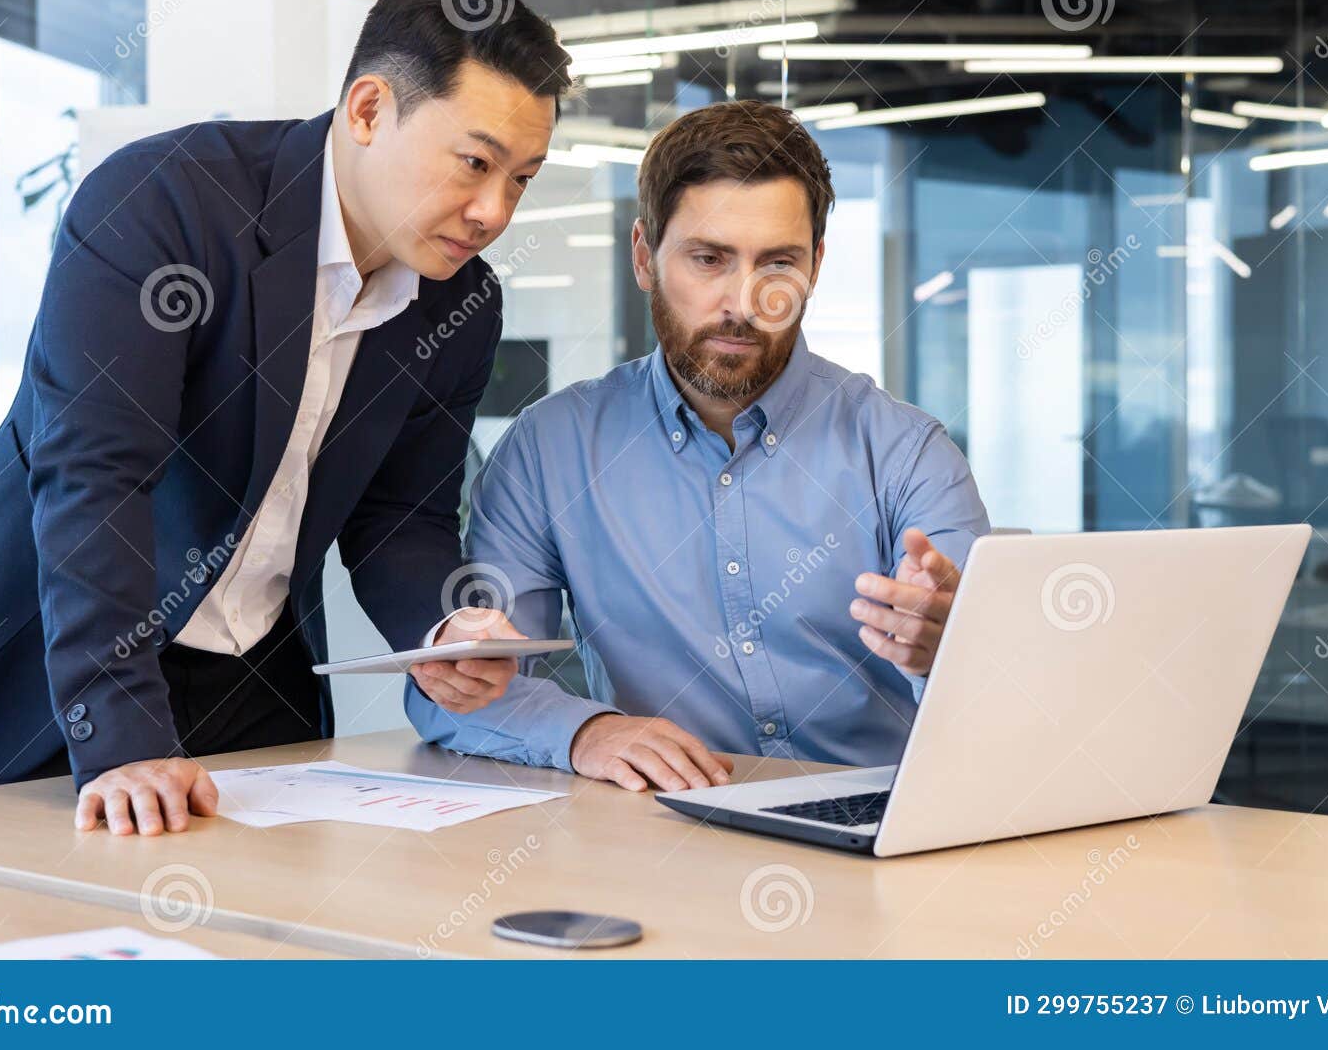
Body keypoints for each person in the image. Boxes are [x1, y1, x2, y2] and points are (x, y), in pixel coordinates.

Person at [0, 0, 568, 834]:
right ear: (367, 110)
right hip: (54, 657)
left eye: (522, 179)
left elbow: (401, 515)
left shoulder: (459, 302)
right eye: (476, 163)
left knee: (260, 936)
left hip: (256, 664)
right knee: (58, 932)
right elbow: (95, 481)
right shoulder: (164, 202)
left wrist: (439, 628)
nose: (492, 211)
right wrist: (121, 735)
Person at [406, 100, 990, 792]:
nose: (743, 302)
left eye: (777, 262)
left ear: (816, 265)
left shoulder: (905, 452)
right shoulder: (550, 450)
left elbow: (1009, 699)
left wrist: (953, 652)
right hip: (667, 833)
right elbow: (455, 686)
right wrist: (586, 731)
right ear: (645, 256)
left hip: (876, 833)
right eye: (708, 259)